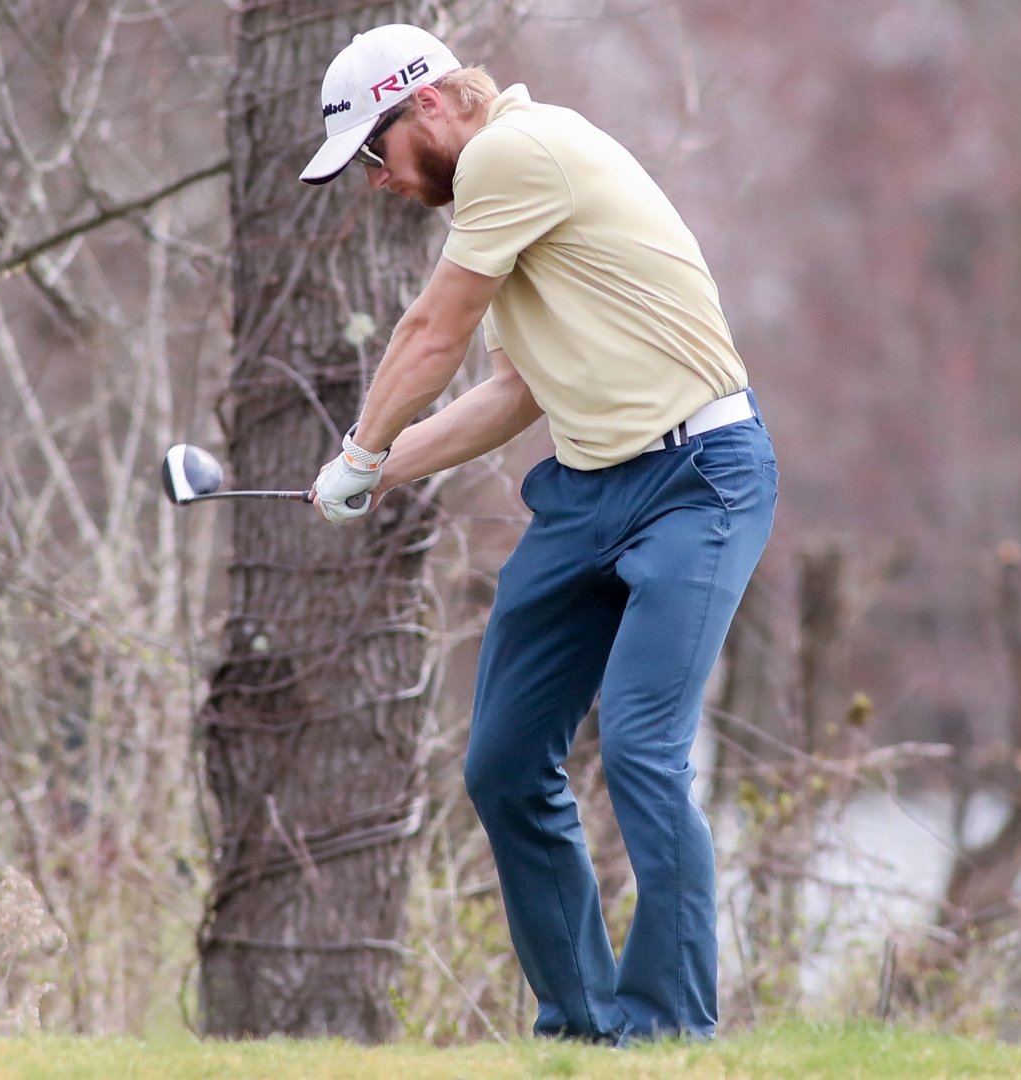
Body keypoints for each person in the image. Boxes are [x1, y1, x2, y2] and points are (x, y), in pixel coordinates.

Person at [301, 24, 777, 1043]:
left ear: (430, 103)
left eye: (376, 152)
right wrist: (376, 472)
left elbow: (431, 333)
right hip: (588, 493)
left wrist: (360, 446)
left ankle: (668, 1036)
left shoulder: (519, 151)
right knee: (505, 762)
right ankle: (584, 1031)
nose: (378, 180)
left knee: (642, 750)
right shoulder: (499, 201)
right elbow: (513, 393)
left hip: (698, 480)